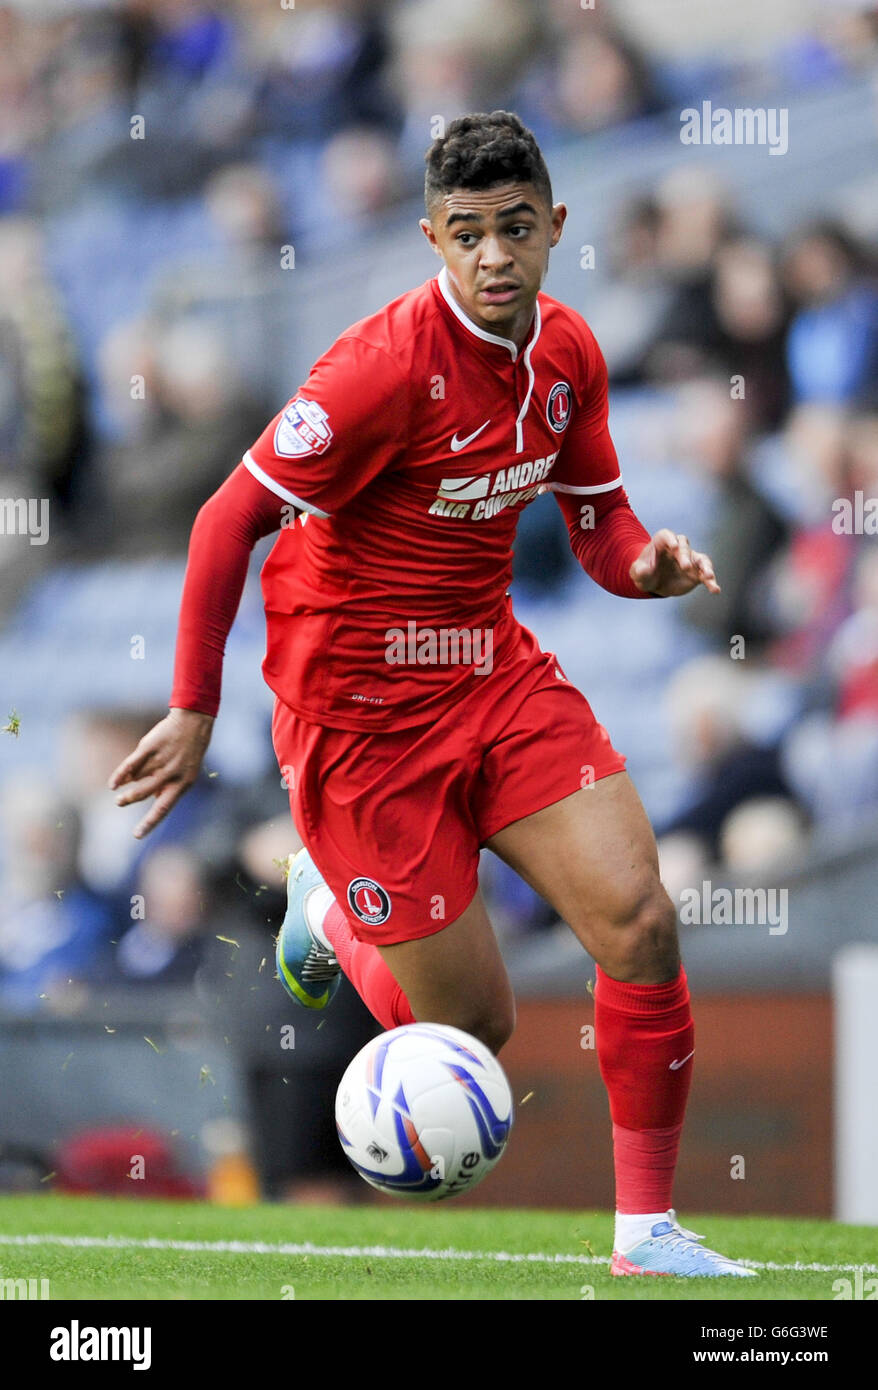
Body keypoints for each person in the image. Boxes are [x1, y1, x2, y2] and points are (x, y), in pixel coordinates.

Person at [109, 111, 754, 1278]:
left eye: (515, 227)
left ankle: (646, 1234)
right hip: (357, 718)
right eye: (468, 234)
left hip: (490, 670)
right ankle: (330, 906)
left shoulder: (567, 354)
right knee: (472, 1034)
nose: (495, 254)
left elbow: (600, 526)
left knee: (641, 921)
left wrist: (643, 566)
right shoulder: (375, 370)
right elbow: (223, 519)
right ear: (432, 241)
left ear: (554, 227)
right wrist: (193, 706)